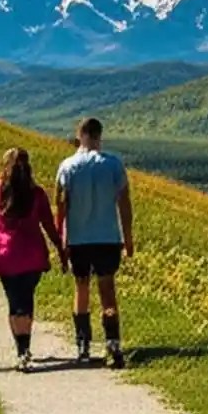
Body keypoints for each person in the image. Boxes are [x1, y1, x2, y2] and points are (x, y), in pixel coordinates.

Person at [0, 147, 67, 372]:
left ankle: (20, 350)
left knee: (14, 303)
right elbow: (49, 226)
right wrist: (62, 251)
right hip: (33, 256)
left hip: (7, 257)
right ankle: (25, 349)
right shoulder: (37, 193)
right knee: (27, 300)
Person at [56, 116, 134, 369]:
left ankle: (83, 345)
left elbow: (61, 206)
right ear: (100, 136)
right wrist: (128, 237)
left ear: (80, 135)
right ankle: (113, 344)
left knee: (81, 289)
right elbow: (124, 203)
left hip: (79, 238)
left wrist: (62, 240)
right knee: (107, 292)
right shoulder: (113, 165)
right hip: (107, 236)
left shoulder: (67, 166)